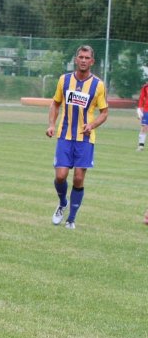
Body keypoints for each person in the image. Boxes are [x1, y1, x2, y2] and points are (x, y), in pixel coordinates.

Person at [46, 45, 108, 230]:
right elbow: (55, 104)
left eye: (87, 57)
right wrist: (51, 124)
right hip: (65, 136)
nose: (83, 60)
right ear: (75, 59)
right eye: (80, 56)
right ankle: (62, 203)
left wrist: (92, 124)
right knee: (60, 176)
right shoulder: (64, 80)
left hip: (85, 139)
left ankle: (71, 219)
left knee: (79, 179)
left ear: (92, 61)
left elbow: (104, 112)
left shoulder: (98, 85)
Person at [136, 81, 148, 151]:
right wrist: (139, 110)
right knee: (144, 127)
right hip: (146, 110)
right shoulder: (145, 87)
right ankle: (141, 145)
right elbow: (141, 98)